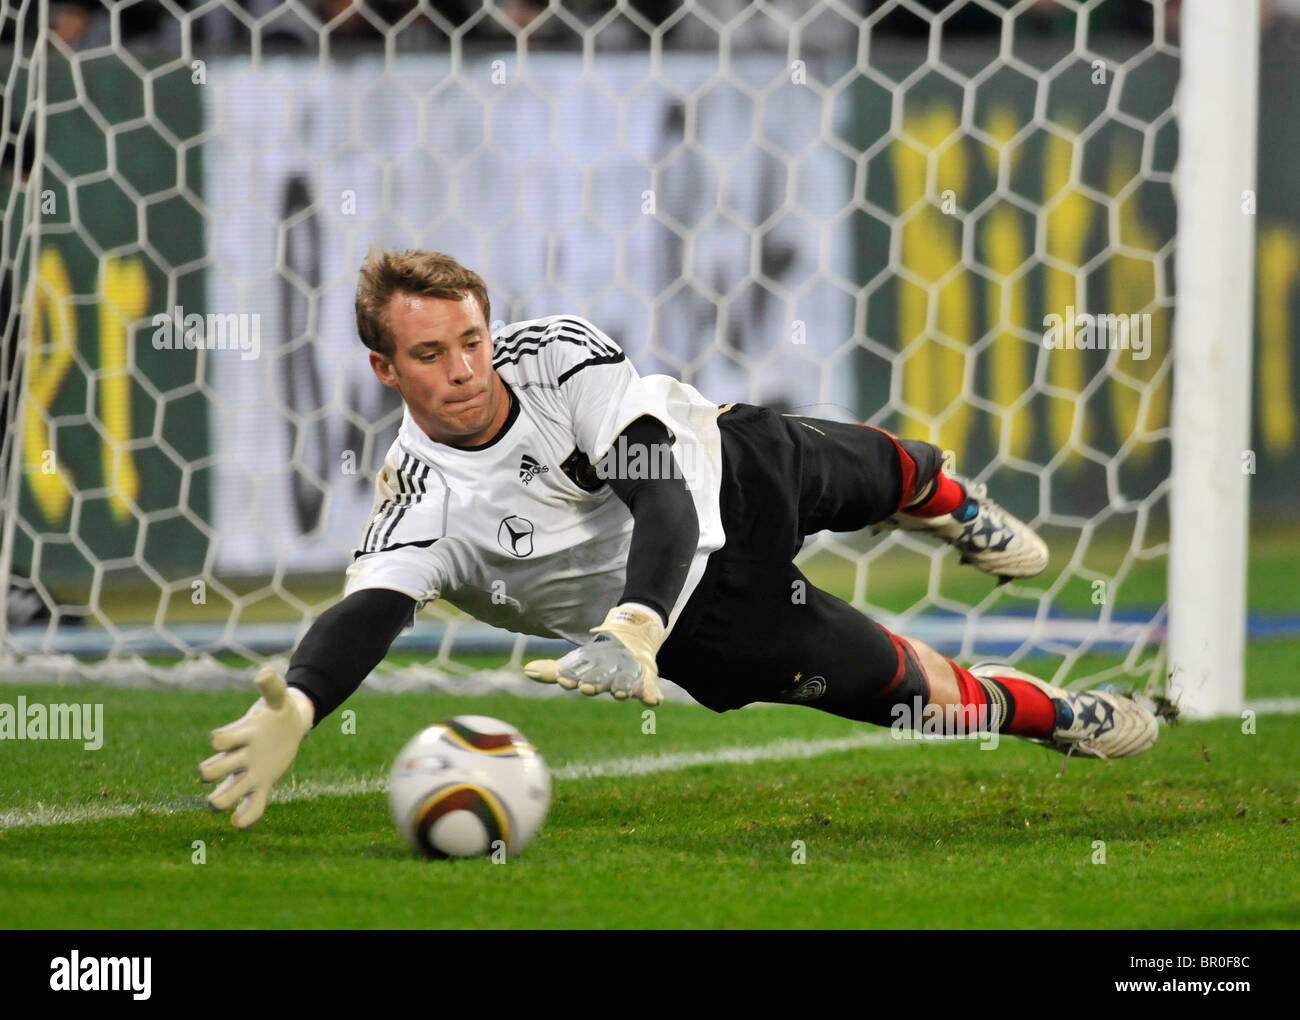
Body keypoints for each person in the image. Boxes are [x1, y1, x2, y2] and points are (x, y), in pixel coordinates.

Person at [200, 249, 1158, 830]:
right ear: (383, 368)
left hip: (723, 475)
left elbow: (658, 489)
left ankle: (951, 502)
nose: (462, 370)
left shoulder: (556, 355)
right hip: (713, 620)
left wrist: (631, 624)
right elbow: (371, 607)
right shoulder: (421, 499)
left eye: (472, 341)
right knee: (906, 690)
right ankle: (1057, 717)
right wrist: (306, 704)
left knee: (882, 467)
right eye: (428, 355)